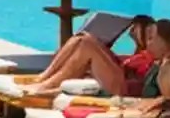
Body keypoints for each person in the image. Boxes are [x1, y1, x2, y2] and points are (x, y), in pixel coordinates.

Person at [20, 15, 157, 96]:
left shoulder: (153, 56)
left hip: (124, 88)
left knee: (87, 43)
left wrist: (103, 52)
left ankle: (46, 86)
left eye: (137, 30)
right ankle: (43, 77)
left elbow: (127, 68)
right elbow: (124, 63)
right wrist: (104, 49)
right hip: (119, 79)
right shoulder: (141, 53)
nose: (132, 32)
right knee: (80, 38)